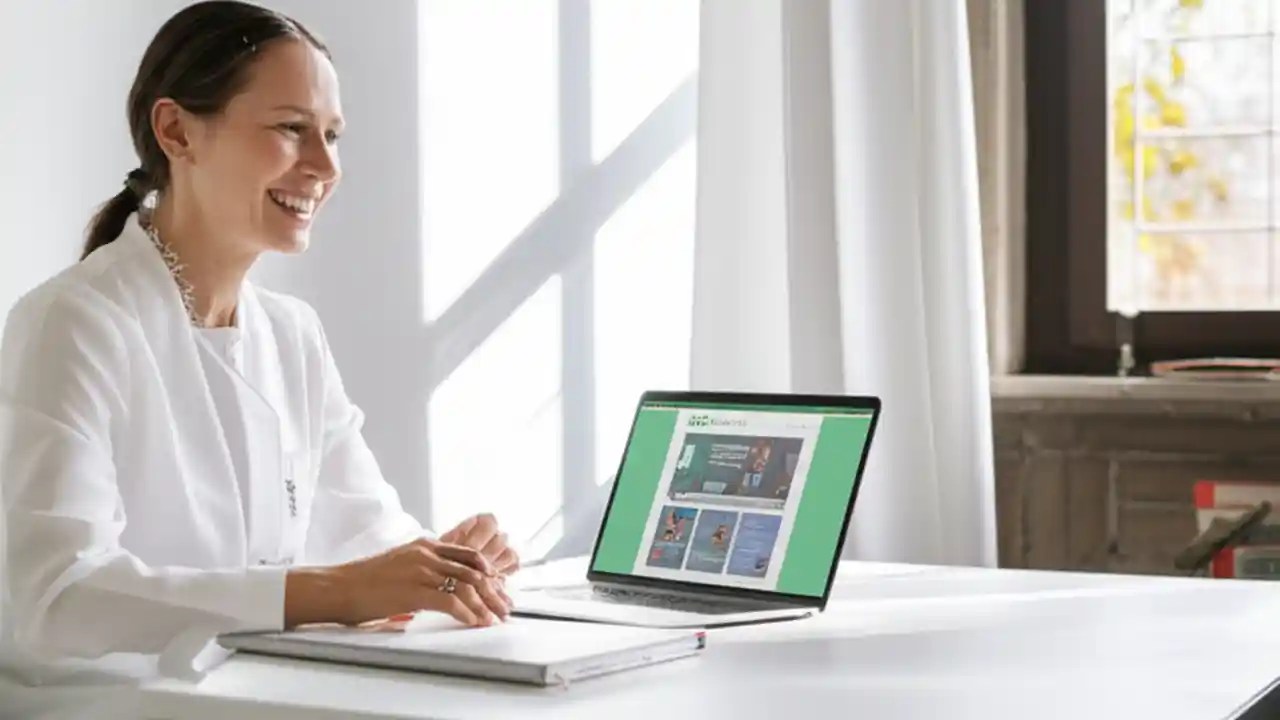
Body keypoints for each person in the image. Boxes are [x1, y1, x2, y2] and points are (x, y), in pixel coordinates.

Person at [0, 3, 518, 718]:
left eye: (333, 135)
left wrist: (445, 563)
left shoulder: (292, 333)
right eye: (291, 128)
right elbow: (57, 597)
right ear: (177, 131)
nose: (326, 167)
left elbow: (368, 530)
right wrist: (339, 590)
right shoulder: (75, 323)